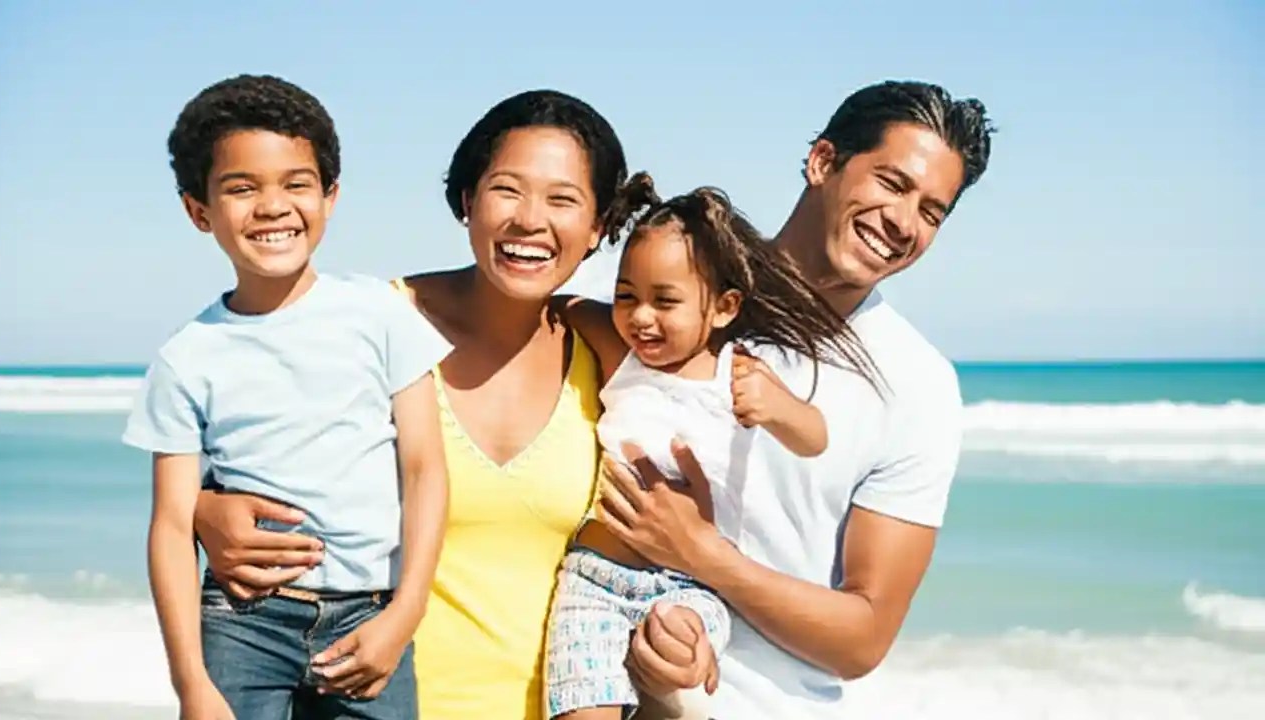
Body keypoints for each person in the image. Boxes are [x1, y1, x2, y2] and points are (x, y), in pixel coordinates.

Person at [192, 88, 637, 719]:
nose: (530, 220)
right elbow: (238, 449)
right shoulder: (372, 322)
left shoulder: (609, 353)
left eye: (562, 200)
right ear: (468, 201)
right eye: (507, 190)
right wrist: (202, 509)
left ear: (597, 227)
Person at [596, 80, 995, 720]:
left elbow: (864, 637)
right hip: (591, 686)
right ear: (822, 161)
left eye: (931, 212)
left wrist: (702, 555)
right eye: (891, 183)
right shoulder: (677, 295)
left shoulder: (917, 384)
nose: (903, 222)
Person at [122, 75, 451, 720]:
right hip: (243, 621)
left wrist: (406, 612)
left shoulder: (381, 314)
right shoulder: (186, 357)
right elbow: (171, 526)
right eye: (241, 188)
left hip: (369, 615)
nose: (272, 206)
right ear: (198, 211)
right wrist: (191, 684)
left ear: (330, 196)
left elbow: (425, 470)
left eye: (296, 184)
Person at [544, 173, 879, 720]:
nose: (640, 316)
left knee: (682, 656)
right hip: (596, 578)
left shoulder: (738, 373)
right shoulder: (617, 349)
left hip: (689, 588)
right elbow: (556, 304)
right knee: (581, 709)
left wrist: (778, 407)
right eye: (626, 295)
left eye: (665, 301)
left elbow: (815, 437)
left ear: (723, 307)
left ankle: (688, 678)